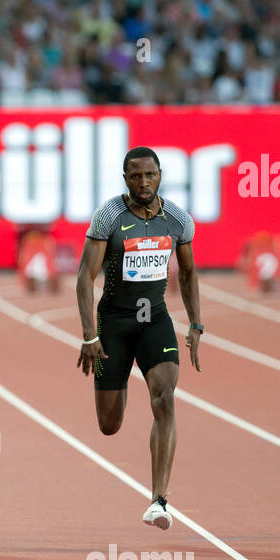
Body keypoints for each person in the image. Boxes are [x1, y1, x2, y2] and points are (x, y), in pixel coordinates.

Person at [76, 146, 203, 530]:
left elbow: (188, 274)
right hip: (113, 323)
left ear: (160, 175)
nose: (143, 182)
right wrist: (88, 335)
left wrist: (195, 324)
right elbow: (85, 276)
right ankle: (121, 379)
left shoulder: (178, 220)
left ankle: (159, 500)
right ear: (125, 178)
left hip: (155, 321)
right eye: (135, 176)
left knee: (165, 398)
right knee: (109, 424)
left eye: (150, 175)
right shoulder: (109, 217)